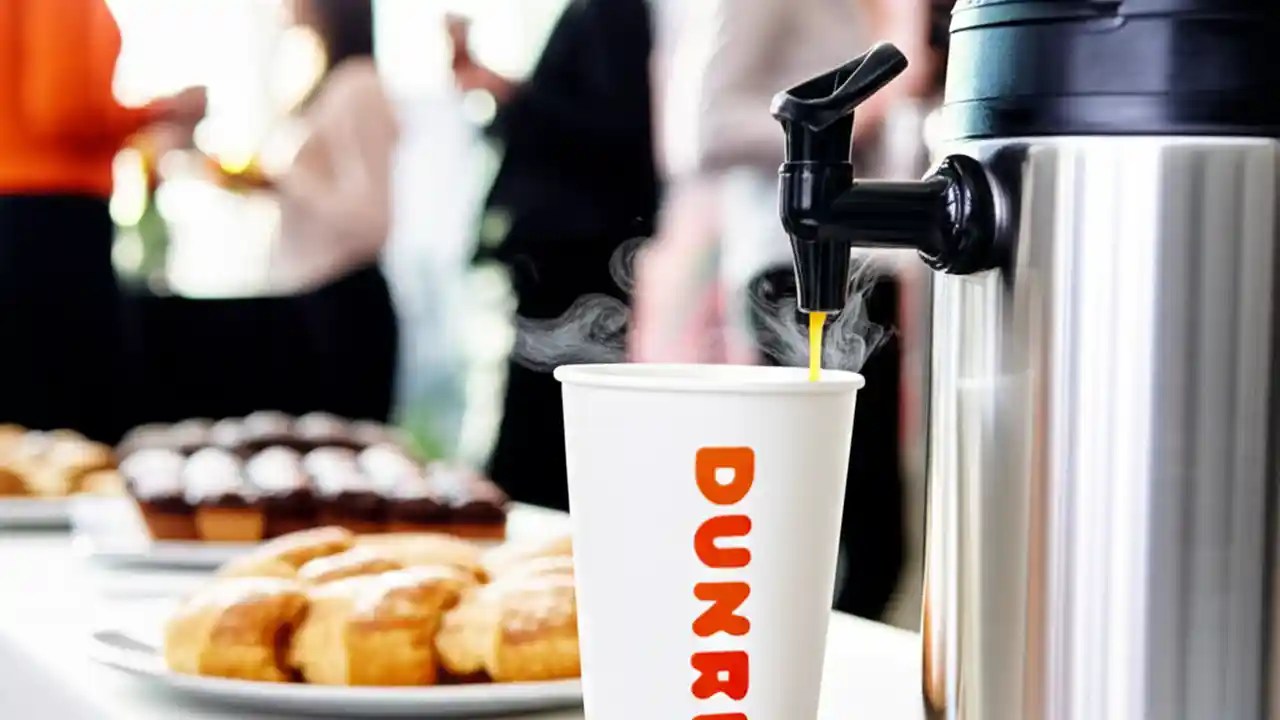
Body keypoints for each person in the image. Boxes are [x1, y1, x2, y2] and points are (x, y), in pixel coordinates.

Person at [637, 0, 940, 619]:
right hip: (790, 271)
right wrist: (854, 119)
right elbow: (701, 128)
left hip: (875, 266)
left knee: (878, 530)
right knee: (816, 524)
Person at [449, 0, 659, 511]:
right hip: (567, 251)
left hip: (579, 255)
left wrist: (508, 93)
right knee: (542, 417)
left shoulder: (616, 13)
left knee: (555, 424)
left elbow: (619, 131)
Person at [0, 0, 206, 441]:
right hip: (53, 216)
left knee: (23, 407)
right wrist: (161, 111)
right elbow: (61, 109)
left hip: (23, 214)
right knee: (69, 414)